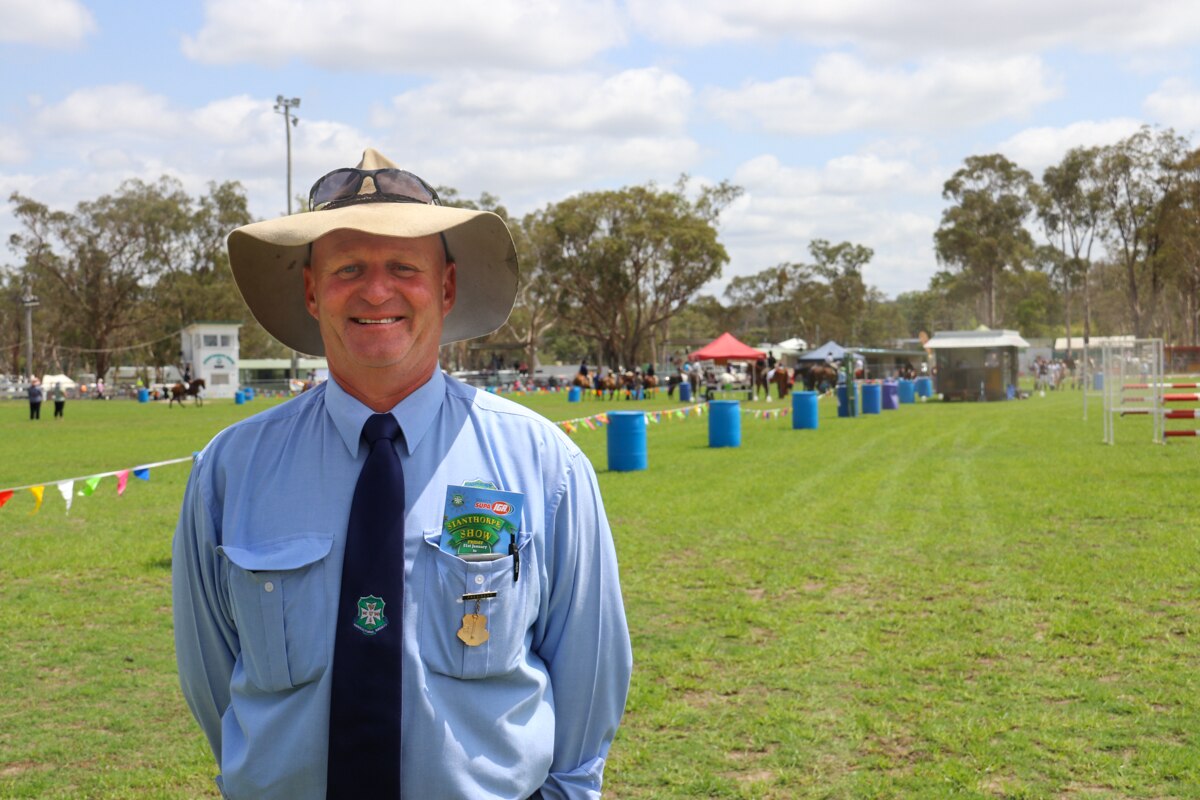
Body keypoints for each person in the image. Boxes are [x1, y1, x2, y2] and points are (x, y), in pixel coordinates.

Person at [172, 148, 631, 800]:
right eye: (348, 268)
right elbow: (213, 681)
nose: (376, 290)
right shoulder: (230, 471)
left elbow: (590, 674)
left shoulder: (543, 466)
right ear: (310, 290)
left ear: (445, 288)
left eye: (403, 268)